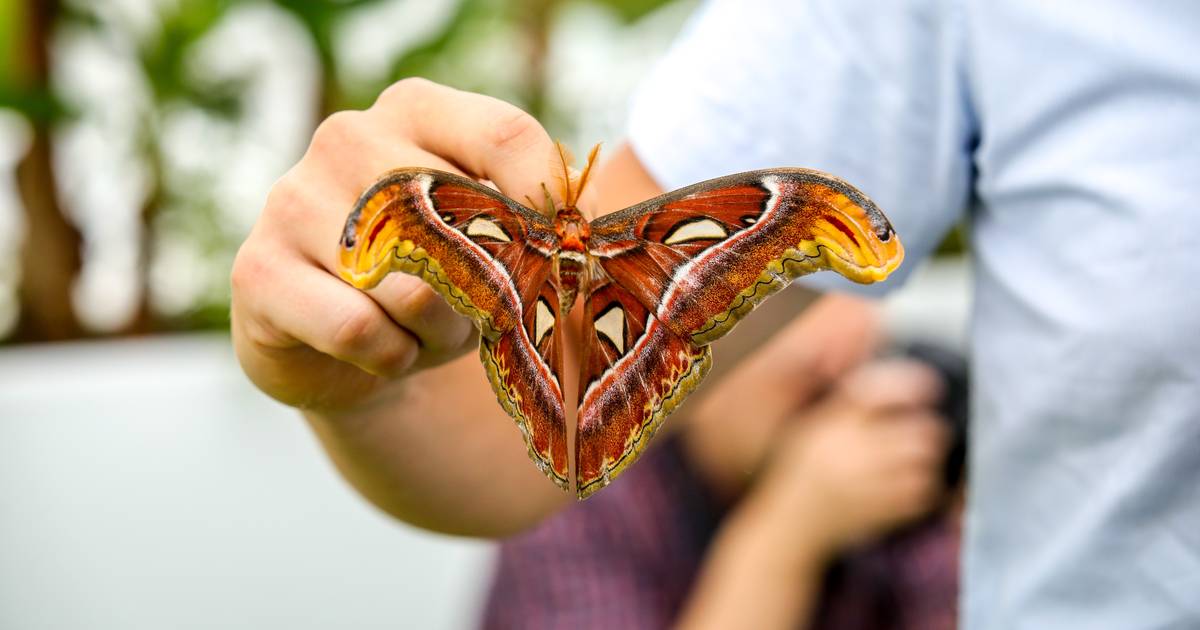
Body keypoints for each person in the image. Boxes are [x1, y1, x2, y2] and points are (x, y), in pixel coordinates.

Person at [231, 1, 1200, 627]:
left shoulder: (885, 468)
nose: (846, 343)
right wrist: (357, 355)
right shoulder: (611, 499)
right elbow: (487, 434)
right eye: (798, 302)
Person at [482, 298, 967, 630]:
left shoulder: (885, 493)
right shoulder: (583, 492)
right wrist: (786, 534)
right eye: (810, 393)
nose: (830, 435)